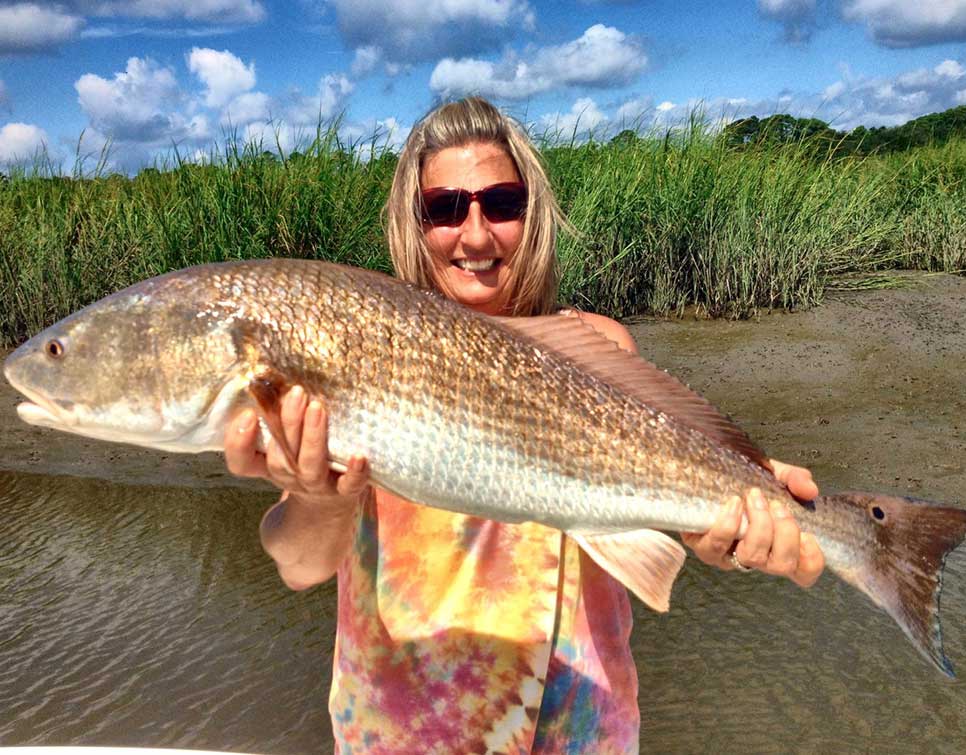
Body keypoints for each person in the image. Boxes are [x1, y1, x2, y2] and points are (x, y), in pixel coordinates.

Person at [223, 97, 825, 753]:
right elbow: (301, 563)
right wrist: (317, 496)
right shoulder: (360, 346)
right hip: (404, 733)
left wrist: (732, 533)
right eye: (445, 208)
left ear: (531, 214)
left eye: (501, 203)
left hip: (579, 732)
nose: (475, 235)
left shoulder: (593, 347)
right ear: (413, 223)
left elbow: (664, 504)